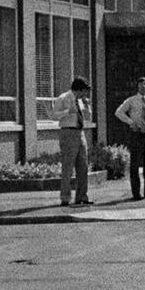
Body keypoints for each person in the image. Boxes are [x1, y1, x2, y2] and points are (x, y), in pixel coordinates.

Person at [115, 75, 145, 200]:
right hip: (136, 134)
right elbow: (119, 112)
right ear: (137, 87)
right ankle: (136, 192)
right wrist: (131, 123)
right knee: (135, 164)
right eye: (141, 85)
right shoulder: (132, 100)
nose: (143, 87)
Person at [55, 77, 94, 209]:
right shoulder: (63, 98)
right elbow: (53, 115)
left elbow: (87, 117)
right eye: (84, 91)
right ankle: (65, 198)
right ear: (79, 89)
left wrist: (87, 106)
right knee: (68, 166)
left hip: (80, 132)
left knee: (83, 165)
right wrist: (68, 112)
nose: (86, 94)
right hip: (68, 132)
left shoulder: (81, 101)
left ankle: (82, 196)